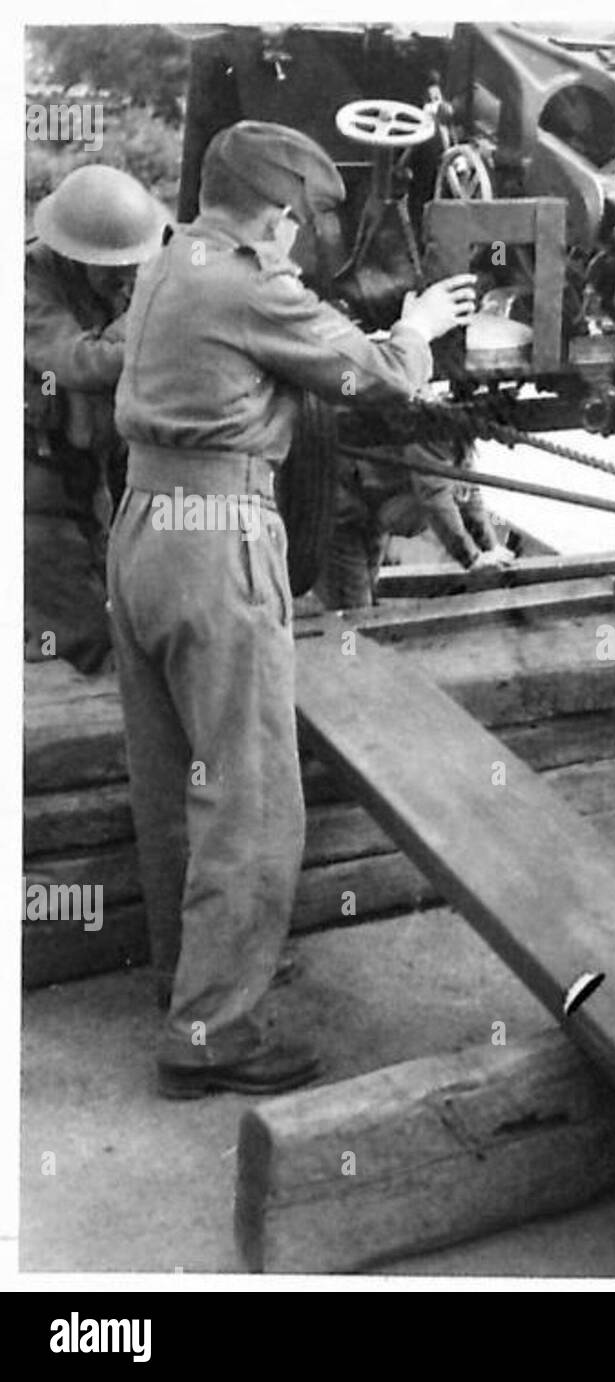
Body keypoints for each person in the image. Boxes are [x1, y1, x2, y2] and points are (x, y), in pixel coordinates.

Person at [108, 120, 477, 1098]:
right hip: (216, 538)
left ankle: (184, 980)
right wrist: (418, 326)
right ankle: (211, 1034)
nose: (301, 245)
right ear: (275, 212)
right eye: (301, 223)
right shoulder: (249, 282)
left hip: (144, 523)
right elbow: (380, 378)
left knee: (171, 774)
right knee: (252, 792)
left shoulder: (169, 261)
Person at [24, 165, 169, 673]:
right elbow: (81, 363)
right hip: (36, 491)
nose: (126, 277)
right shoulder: (27, 283)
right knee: (75, 633)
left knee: (127, 614)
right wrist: (152, 311)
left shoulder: (135, 268)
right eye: (114, 268)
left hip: (103, 476)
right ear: (72, 252)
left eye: (135, 265)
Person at [315, 432, 514, 611]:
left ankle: (355, 642)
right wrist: (472, 559)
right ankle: (347, 650)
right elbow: (435, 498)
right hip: (342, 513)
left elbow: (469, 492)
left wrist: (491, 548)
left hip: (373, 511)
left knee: (367, 589)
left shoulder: (458, 439)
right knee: (353, 610)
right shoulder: (436, 432)